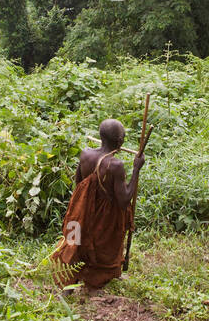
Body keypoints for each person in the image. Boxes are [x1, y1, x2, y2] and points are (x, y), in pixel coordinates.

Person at [50, 119, 145, 290]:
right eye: (123, 136)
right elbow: (124, 201)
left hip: (80, 209)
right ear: (119, 141)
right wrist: (136, 169)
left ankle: (73, 274)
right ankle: (95, 276)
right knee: (99, 242)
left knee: (75, 239)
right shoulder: (115, 165)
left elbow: (78, 184)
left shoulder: (85, 154)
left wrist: (86, 205)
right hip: (104, 218)